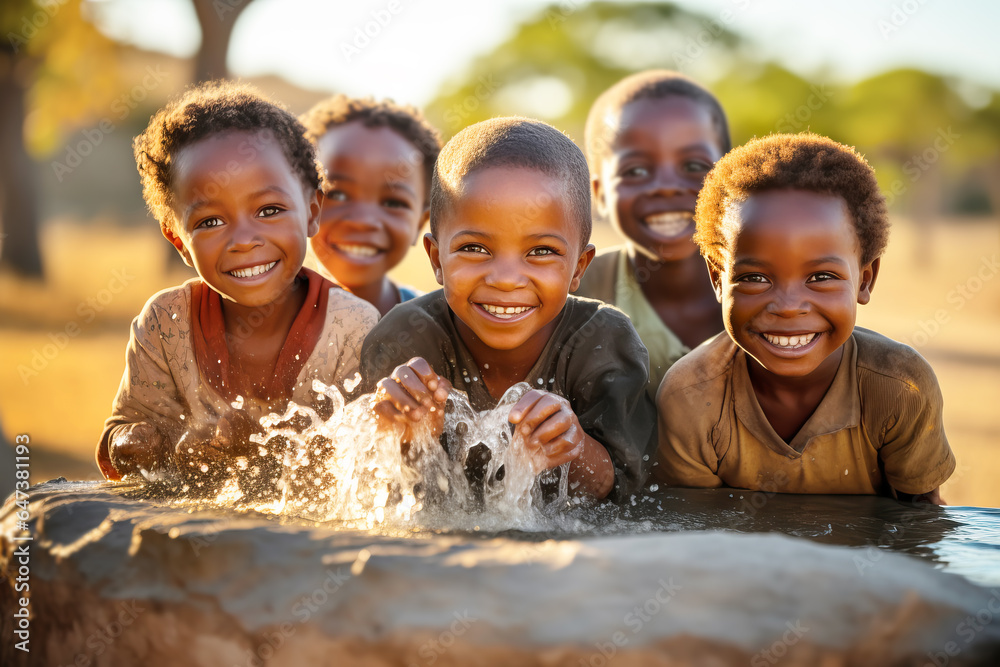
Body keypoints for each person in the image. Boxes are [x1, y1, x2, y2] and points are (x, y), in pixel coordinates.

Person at [361, 117, 656, 501]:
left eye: (541, 252)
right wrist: (410, 438)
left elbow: (625, 494)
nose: (505, 279)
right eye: (475, 248)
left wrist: (575, 447)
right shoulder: (406, 340)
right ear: (436, 258)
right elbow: (377, 494)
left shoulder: (603, 343)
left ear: (579, 268)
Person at [97, 82, 378, 484]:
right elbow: (120, 438)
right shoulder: (165, 324)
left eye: (269, 209)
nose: (244, 239)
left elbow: (371, 467)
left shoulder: (354, 329)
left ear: (313, 210)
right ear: (178, 240)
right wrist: (142, 442)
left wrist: (268, 450)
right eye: (210, 221)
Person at [655, 133, 955, 502]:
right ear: (718, 279)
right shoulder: (690, 397)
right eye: (754, 278)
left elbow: (922, 526)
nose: (788, 306)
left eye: (821, 277)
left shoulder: (899, 387)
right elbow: (694, 536)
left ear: (865, 279)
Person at [576, 70, 730, 399]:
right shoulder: (571, 296)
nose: (665, 186)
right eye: (636, 171)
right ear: (600, 194)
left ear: (729, 177)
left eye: (693, 166)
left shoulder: (772, 287)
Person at [299, 95, 442, 316]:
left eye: (393, 202)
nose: (363, 221)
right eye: (336, 193)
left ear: (419, 223)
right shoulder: (271, 321)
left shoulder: (435, 328)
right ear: (303, 203)